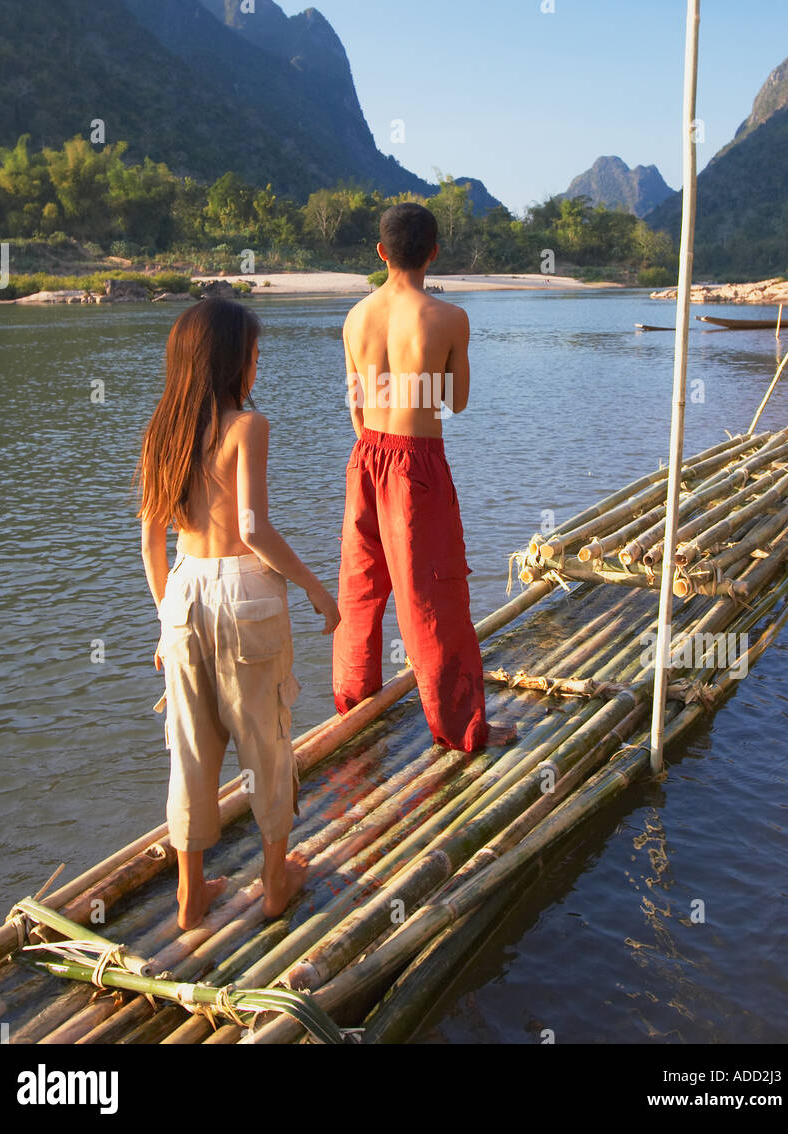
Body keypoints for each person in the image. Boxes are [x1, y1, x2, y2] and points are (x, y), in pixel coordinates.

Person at [137, 299, 340, 931]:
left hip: (185, 590)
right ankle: (275, 885)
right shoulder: (246, 428)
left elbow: (150, 543)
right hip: (245, 595)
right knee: (266, 742)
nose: (258, 364)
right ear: (232, 361)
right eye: (254, 353)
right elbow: (252, 529)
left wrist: (167, 618)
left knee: (192, 750)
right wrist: (314, 587)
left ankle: (191, 898)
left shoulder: (161, 433)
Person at [332, 202, 517, 752]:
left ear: (381, 252)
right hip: (417, 461)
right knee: (433, 594)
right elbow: (456, 402)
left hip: (365, 457)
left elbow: (357, 408)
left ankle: (352, 702)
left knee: (360, 585)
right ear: (434, 253)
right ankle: (460, 726)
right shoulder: (450, 318)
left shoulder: (354, 318)